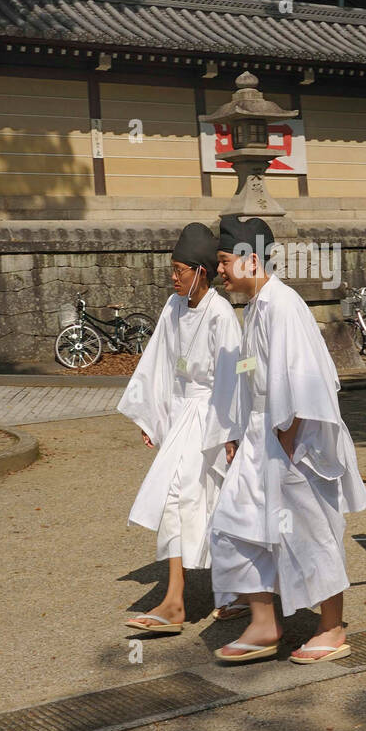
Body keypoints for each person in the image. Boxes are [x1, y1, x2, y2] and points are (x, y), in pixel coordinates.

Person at [206, 215, 366, 665]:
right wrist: (241, 433)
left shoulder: (283, 305)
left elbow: (305, 377)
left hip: (293, 441)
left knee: (311, 528)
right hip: (263, 436)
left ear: (249, 259)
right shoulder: (256, 306)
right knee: (235, 523)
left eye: (224, 261)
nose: (219, 270)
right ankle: (263, 623)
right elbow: (251, 376)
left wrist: (288, 438)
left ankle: (332, 627)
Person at [117, 222, 243, 634]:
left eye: (179, 270)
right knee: (177, 498)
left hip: (212, 413)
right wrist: (153, 415)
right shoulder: (172, 308)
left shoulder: (221, 315)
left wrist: (230, 432)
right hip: (184, 415)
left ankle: (237, 594)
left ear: (200, 272)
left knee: (219, 502)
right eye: (171, 269)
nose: (173, 277)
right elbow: (158, 363)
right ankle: (174, 601)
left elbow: (231, 375)